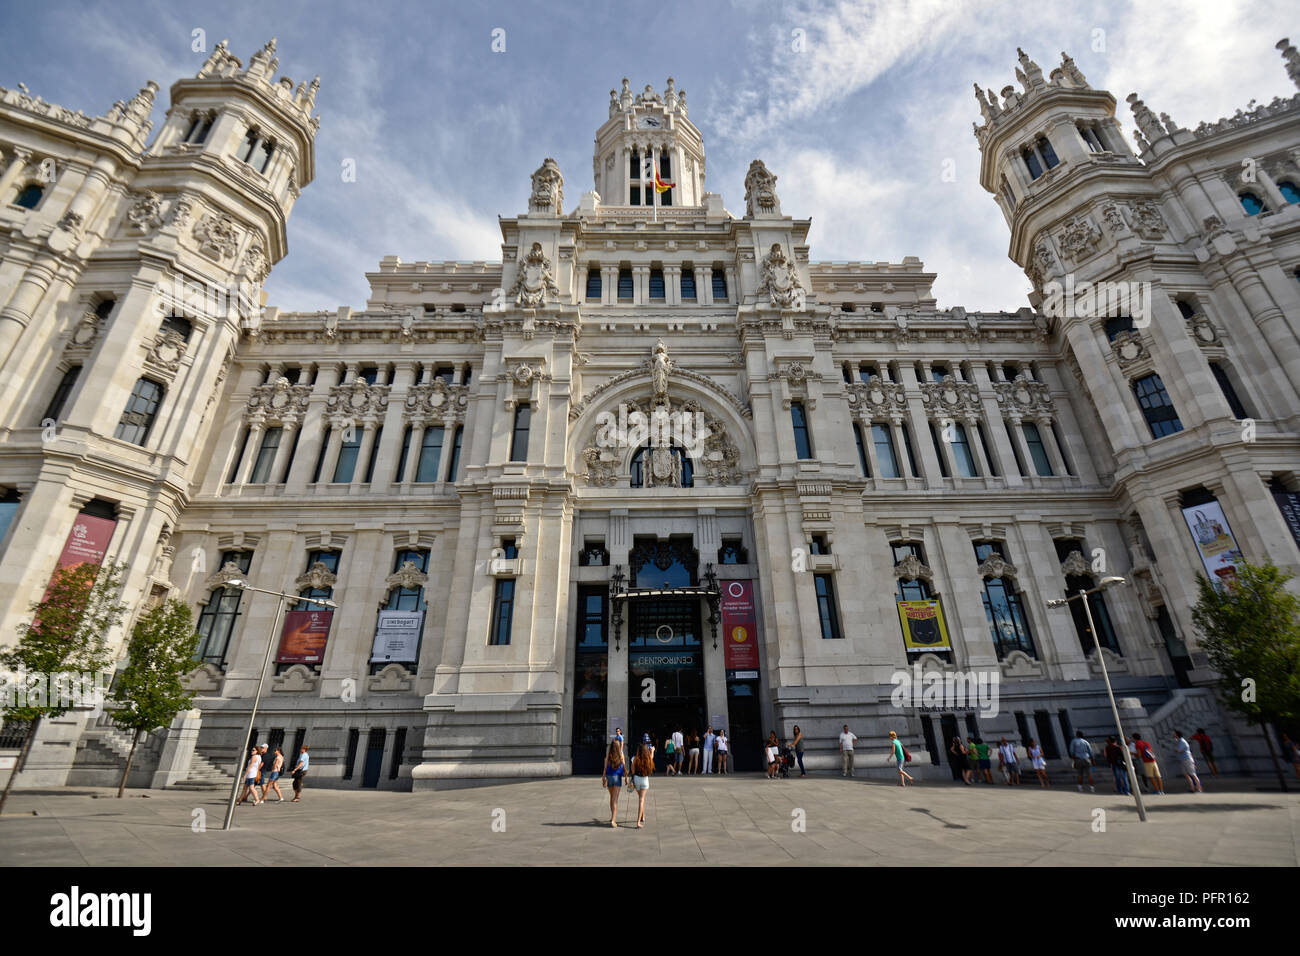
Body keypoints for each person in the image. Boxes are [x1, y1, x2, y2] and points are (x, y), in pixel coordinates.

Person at [603, 740, 626, 826]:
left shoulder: (608, 756)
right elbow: (624, 767)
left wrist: (603, 778)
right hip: (617, 778)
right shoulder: (621, 755)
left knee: (612, 797)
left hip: (609, 777)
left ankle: (612, 816)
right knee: (615, 799)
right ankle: (613, 820)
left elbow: (605, 768)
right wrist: (626, 777)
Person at [630, 743, 653, 828]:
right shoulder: (648, 758)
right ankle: (638, 822)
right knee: (641, 800)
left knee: (640, 798)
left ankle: (642, 816)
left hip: (636, 779)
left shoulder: (635, 759)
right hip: (644, 780)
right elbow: (651, 758)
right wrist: (652, 751)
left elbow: (632, 770)